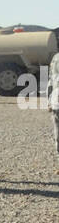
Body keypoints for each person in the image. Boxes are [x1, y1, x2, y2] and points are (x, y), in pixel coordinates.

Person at [48, 41, 59, 173]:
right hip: (57, 103)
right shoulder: (56, 58)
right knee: (57, 136)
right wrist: (49, 101)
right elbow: (51, 80)